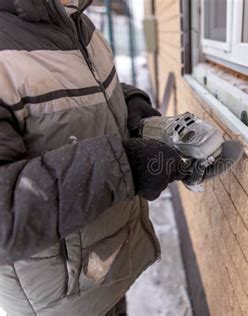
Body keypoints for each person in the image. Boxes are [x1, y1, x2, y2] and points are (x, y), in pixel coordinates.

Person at [0, 0, 185, 315]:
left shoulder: (79, 24)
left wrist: (134, 107)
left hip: (104, 269)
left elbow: (96, 89)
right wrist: (124, 166)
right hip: (58, 300)